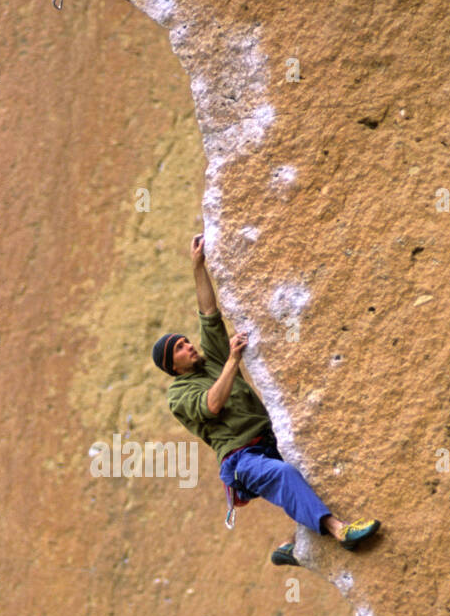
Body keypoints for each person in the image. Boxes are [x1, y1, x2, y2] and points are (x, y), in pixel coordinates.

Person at [152, 234, 380, 566]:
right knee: (284, 476)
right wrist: (232, 361)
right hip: (240, 460)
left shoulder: (209, 360)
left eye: (187, 341)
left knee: (308, 470)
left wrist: (197, 266)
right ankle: (340, 532)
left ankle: (295, 547)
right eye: (180, 348)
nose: (189, 346)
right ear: (173, 367)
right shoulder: (179, 394)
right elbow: (212, 405)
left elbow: (208, 312)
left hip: (268, 439)